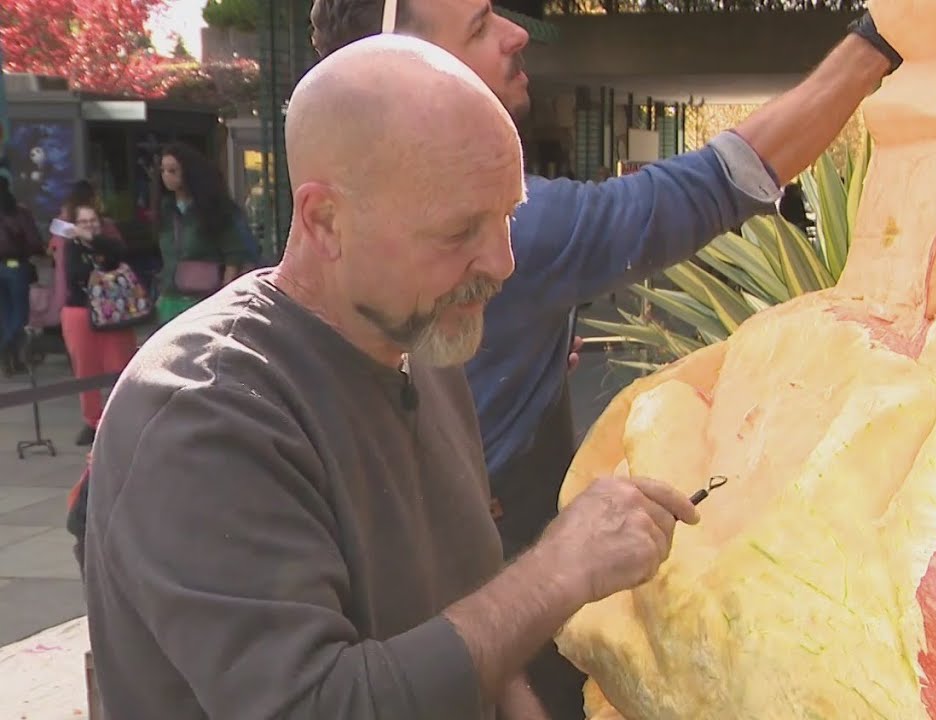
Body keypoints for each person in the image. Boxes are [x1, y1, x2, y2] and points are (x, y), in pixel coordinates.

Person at [81, 34, 699, 720]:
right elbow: (320, 706)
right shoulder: (206, 413)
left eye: (507, 216)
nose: (502, 261)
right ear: (326, 220)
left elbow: (467, 627)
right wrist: (558, 571)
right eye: (459, 231)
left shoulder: (421, 346)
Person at [309, 0, 902, 714]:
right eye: (477, 26)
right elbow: (707, 188)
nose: (516, 32)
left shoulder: (395, 332)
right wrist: (878, 40)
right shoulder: (209, 407)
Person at [59, 203, 139, 447]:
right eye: (83, 222)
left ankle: (122, 418)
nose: (89, 226)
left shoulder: (108, 242)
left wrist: (95, 241)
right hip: (81, 312)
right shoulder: (71, 247)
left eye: (93, 221)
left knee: (119, 364)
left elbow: (120, 256)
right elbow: (78, 276)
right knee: (86, 367)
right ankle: (92, 421)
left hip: (114, 313)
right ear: (74, 225)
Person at [155, 142, 256, 324]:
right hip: (170, 298)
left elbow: (233, 256)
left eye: (172, 170)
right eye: (163, 171)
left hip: (204, 298)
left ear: (188, 172)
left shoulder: (212, 209)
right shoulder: (166, 209)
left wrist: (225, 299)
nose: (166, 176)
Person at [0, 175, 43, 376]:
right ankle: (7, 347)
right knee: (19, 314)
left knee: (7, 314)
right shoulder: (19, 212)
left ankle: (12, 359)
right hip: (16, 267)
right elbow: (34, 241)